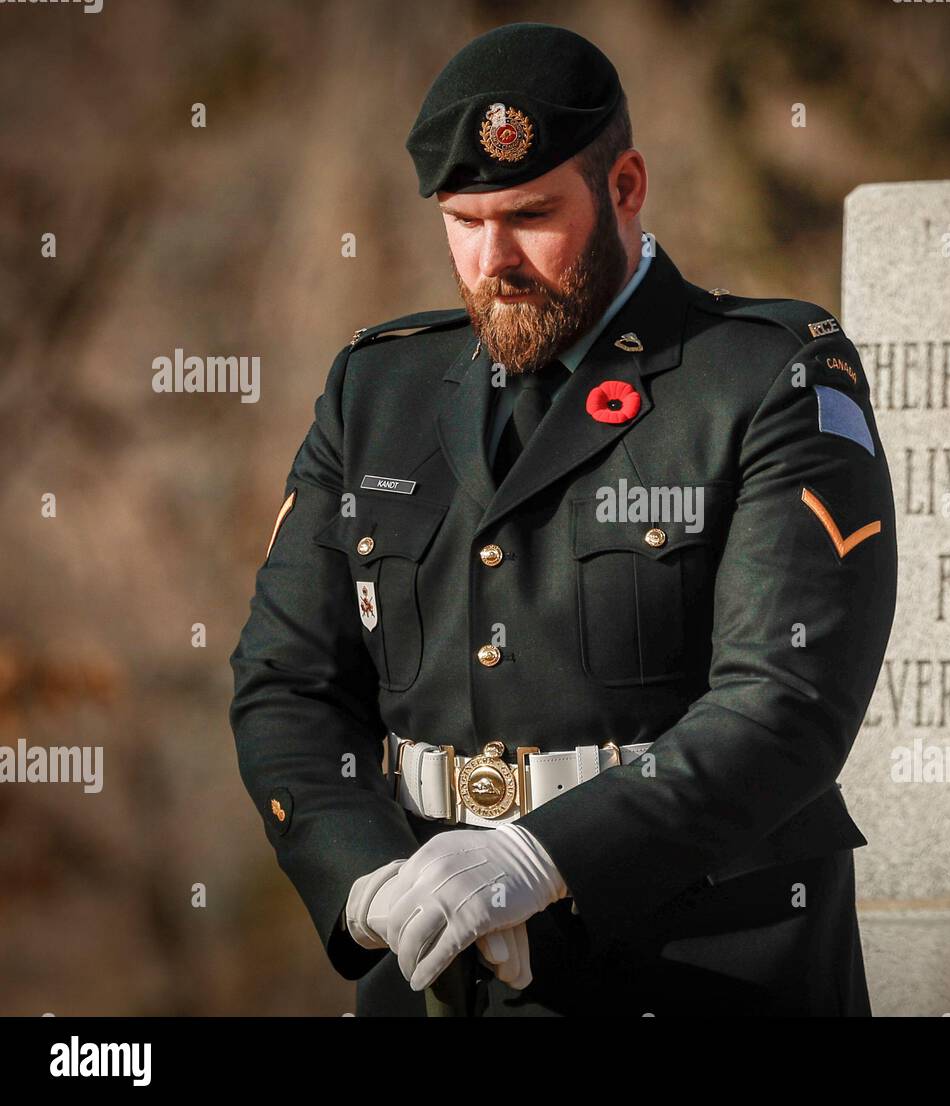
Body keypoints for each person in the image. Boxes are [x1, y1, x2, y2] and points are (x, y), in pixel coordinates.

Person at [229, 21, 897, 1017]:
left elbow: (784, 704)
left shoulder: (765, 375)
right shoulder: (377, 388)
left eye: (531, 214)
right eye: (463, 219)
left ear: (624, 187)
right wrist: (366, 881)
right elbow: (287, 683)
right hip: (431, 958)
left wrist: (536, 856)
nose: (493, 258)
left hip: (697, 961)